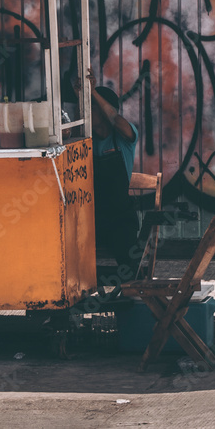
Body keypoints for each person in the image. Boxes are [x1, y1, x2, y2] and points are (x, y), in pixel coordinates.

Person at [76, 68, 140, 277]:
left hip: (121, 218)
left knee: (129, 264)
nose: (86, 113)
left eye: (91, 108)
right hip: (94, 217)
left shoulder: (124, 136)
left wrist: (93, 92)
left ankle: (129, 299)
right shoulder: (84, 142)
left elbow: (116, 120)